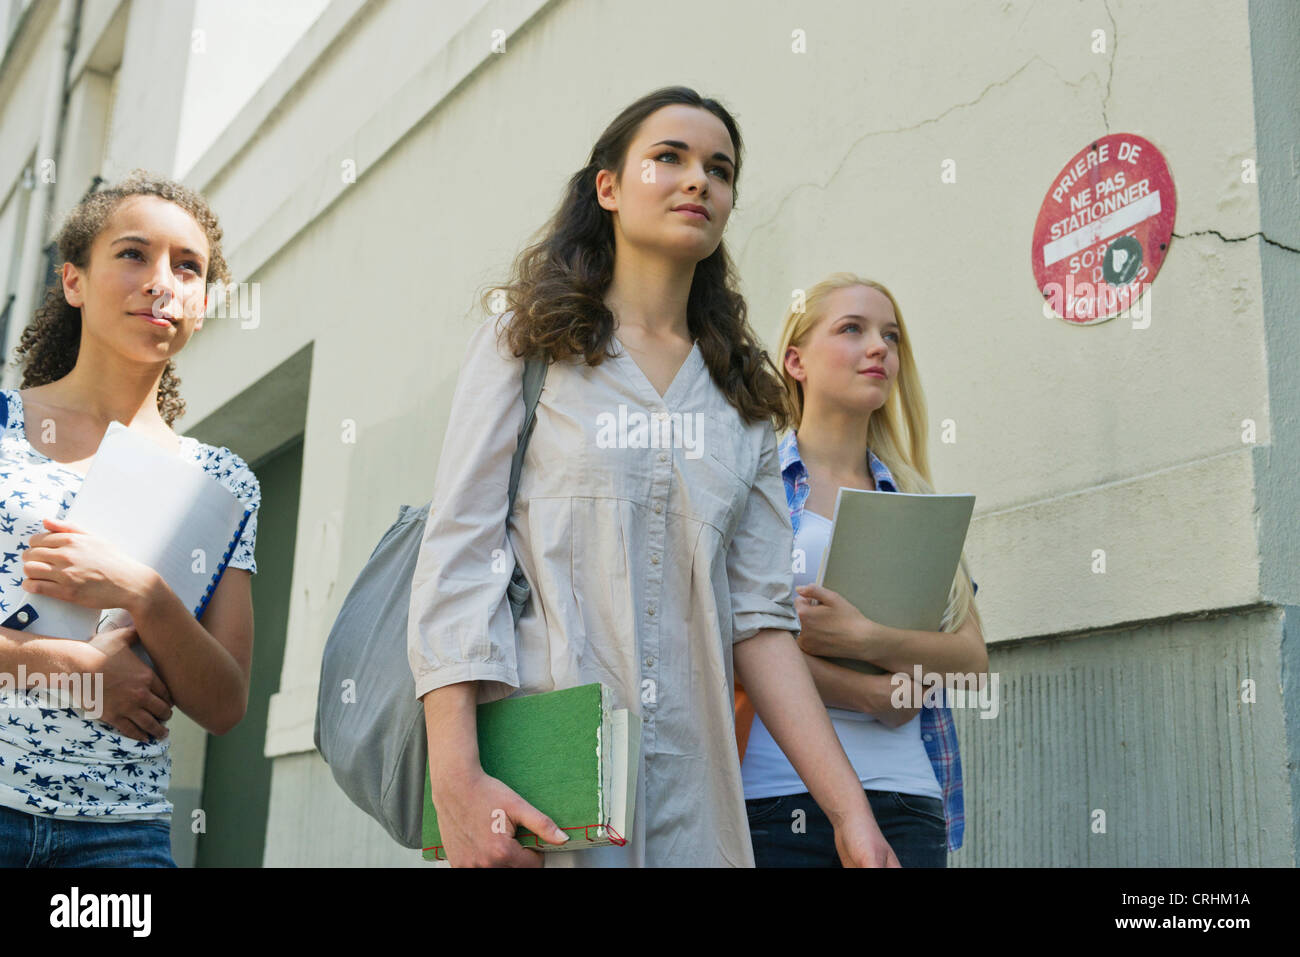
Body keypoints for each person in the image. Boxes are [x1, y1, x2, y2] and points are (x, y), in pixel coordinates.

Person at [408, 87, 899, 867]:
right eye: (668, 157)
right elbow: (458, 556)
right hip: (547, 777)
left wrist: (851, 814)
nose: (698, 179)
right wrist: (455, 782)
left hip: (693, 794)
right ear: (607, 187)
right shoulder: (527, 344)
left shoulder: (744, 397)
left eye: (720, 168)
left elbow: (762, 625)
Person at [0, 171, 261, 867]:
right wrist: (74, 667)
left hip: (119, 836)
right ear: (74, 281)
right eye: (132, 254)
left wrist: (140, 591)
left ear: (203, 304)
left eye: (187, 267)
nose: (161, 281)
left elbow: (226, 701)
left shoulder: (221, 482)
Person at [738, 274, 987, 867]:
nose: (879, 348)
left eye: (891, 336)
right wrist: (872, 690)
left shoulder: (916, 497)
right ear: (795, 361)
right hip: (777, 797)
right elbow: (727, 639)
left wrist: (868, 639)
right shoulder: (752, 487)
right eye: (852, 329)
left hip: (909, 797)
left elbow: (972, 659)